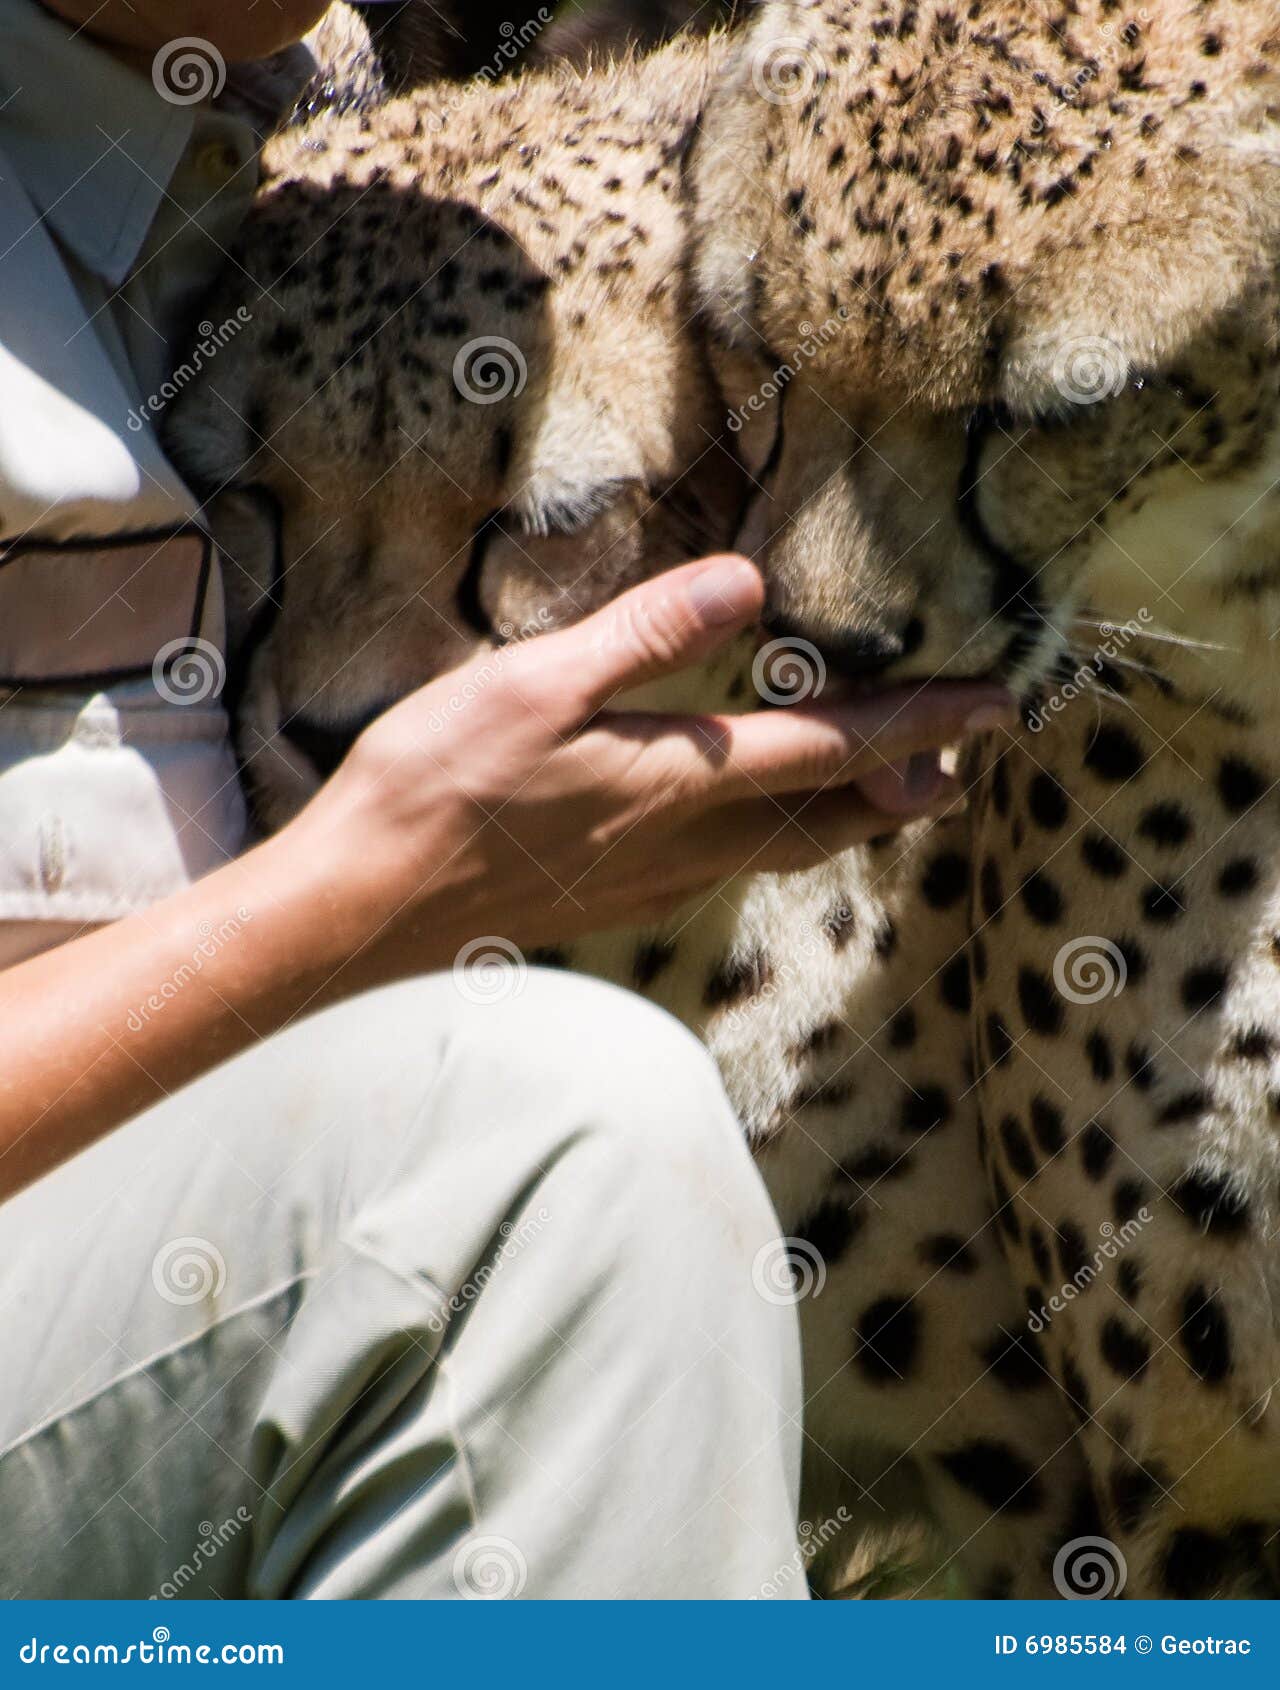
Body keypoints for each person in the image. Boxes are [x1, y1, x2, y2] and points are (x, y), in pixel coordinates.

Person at [0, 0, 1014, 1599]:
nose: (337, 685)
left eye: (537, 514)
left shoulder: (226, 128)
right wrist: (363, 894)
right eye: (258, 500)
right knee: (544, 1146)